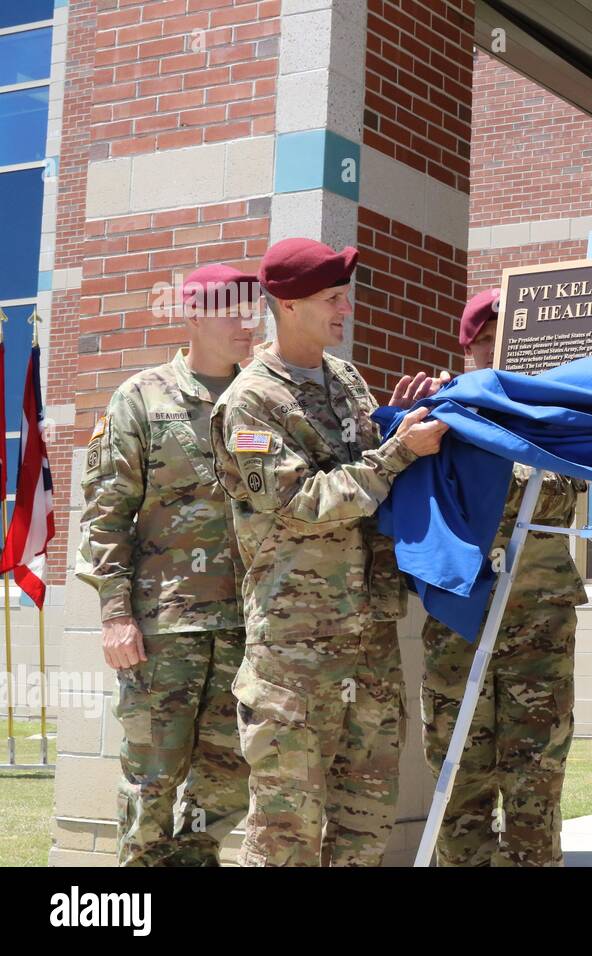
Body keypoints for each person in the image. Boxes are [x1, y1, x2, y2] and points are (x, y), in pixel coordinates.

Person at [209, 238, 448, 866]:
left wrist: (400, 423)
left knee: (364, 829)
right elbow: (303, 502)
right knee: (286, 835)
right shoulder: (251, 402)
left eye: (345, 297)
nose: (346, 309)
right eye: (332, 299)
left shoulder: (345, 379)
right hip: (294, 655)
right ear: (288, 305)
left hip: (368, 643)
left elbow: (373, 471)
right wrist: (400, 452)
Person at [77, 263, 258, 865]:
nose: (247, 321)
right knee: (151, 787)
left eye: (251, 308)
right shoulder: (142, 396)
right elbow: (106, 514)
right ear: (192, 316)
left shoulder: (259, 396)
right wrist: (114, 614)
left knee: (226, 783)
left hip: (243, 628)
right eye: (232, 309)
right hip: (163, 630)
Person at [421, 288, 589, 866]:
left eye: (512, 338)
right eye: (489, 340)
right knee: (459, 773)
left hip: (538, 630)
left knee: (534, 782)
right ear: (469, 348)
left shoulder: (552, 416)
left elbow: (563, 491)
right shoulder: (445, 415)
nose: (502, 351)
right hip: (460, 628)